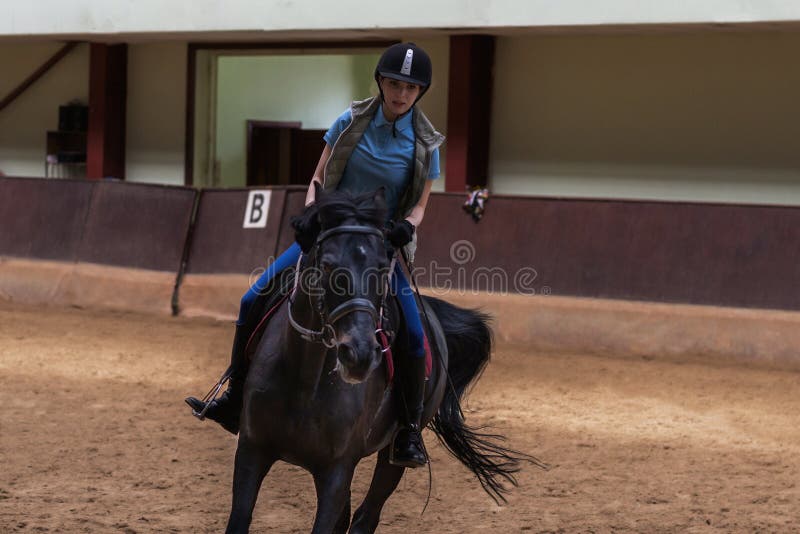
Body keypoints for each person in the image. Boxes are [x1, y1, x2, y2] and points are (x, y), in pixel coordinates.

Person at [186, 42, 444, 468]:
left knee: (414, 333)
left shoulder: (425, 144)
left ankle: (409, 432)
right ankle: (234, 397)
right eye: (394, 83)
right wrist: (312, 214)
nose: (401, 94)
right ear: (381, 82)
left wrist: (407, 227)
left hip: (379, 249)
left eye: (410, 88)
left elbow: (420, 205)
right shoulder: (350, 122)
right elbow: (318, 178)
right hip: (331, 237)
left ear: (420, 94)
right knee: (252, 298)